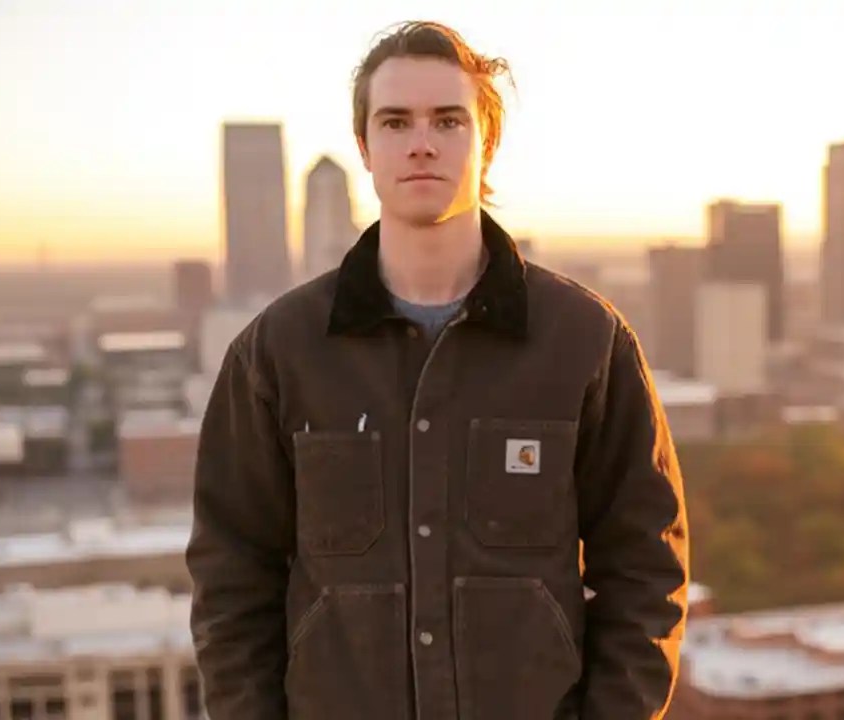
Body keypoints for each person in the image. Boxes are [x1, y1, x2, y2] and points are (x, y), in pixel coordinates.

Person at [187, 20, 689, 720]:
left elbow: (646, 572)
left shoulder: (586, 341)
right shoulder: (277, 352)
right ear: (364, 146)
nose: (421, 142)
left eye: (447, 120)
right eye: (395, 121)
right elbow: (230, 581)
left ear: (487, 142)